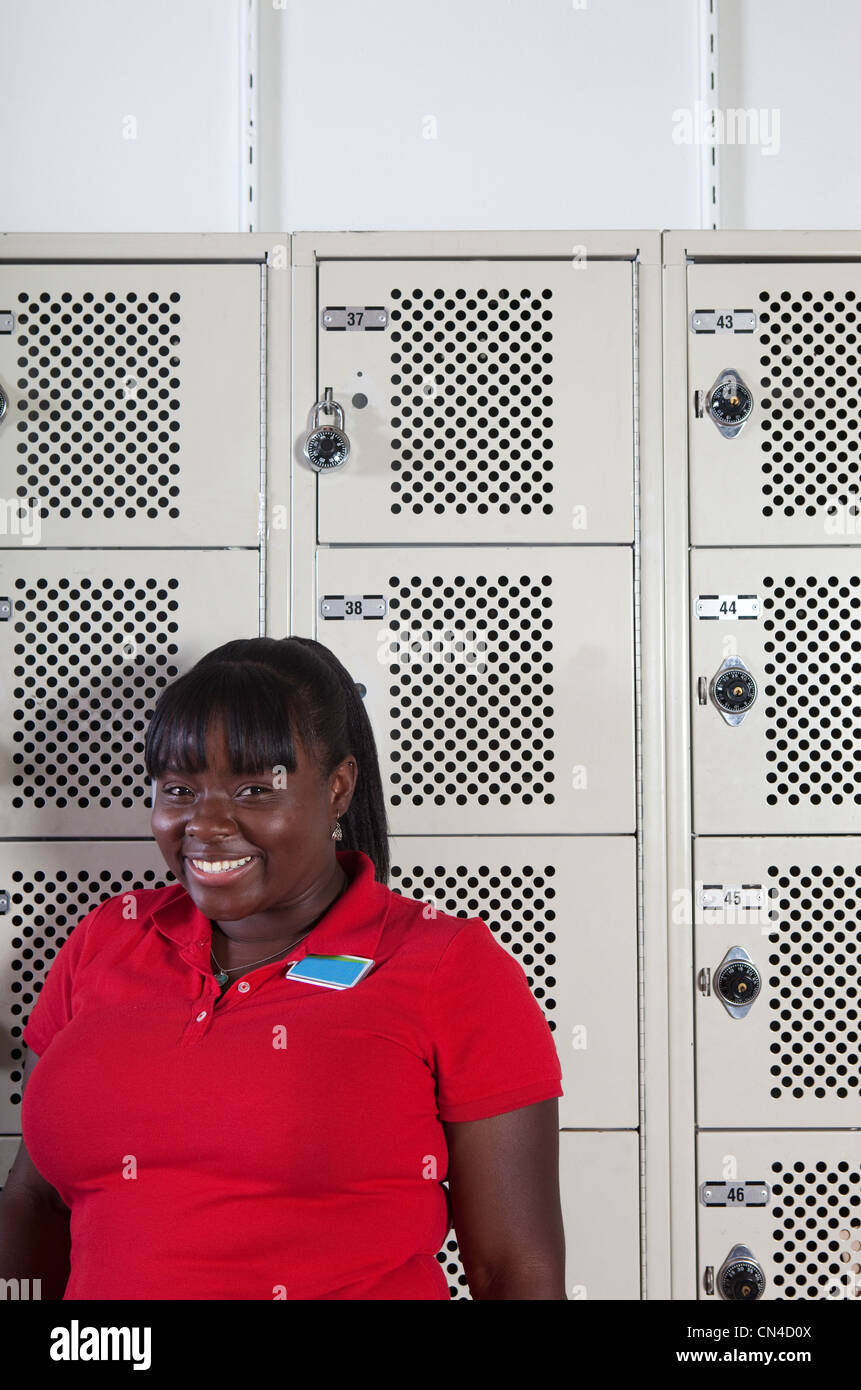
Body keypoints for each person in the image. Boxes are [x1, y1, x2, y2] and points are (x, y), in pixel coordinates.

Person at [0, 636, 566, 1300]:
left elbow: (512, 1271)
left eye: (251, 788)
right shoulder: (107, 937)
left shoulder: (447, 964)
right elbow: (34, 1202)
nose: (205, 824)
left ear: (337, 790)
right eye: (179, 788)